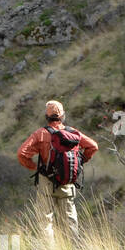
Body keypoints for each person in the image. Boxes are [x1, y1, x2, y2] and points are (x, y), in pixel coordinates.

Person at [17, 100, 98, 239]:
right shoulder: (73, 133)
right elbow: (93, 146)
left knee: (45, 221)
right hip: (67, 182)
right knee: (70, 221)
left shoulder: (41, 134)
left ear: (47, 117)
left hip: (46, 183)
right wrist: (81, 160)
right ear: (62, 116)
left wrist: (34, 167)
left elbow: (21, 153)